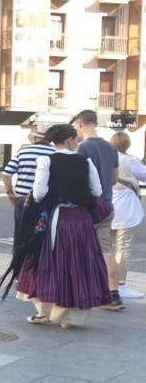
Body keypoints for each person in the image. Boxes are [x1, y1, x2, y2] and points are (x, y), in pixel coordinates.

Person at [1, 124, 110, 329]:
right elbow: (97, 190)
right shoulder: (84, 161)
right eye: (76, 139)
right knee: (77, 265)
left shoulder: (46, 160)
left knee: (46, 262)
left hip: (54, 219)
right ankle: (68, 316)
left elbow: (39, 193)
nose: (78, 142)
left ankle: (44, 311)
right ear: (69, 139)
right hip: (80, 220)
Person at [72, 110, 123, 311]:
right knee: (105, 250)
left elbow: (79, 179)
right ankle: (114, 296)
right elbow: (114, 179)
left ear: (80, 123)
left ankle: (81, 292)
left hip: (88, 206)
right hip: (107, 205)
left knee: (79, 249)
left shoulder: (82, 148)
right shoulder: (111, 148)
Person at [2, 130, 55, 250]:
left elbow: (6, 174)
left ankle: (19, 267)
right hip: (46, 203)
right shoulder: (55, 153)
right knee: (42, 239)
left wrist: (10, 193)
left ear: (35, 137)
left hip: (22, 200)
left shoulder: (23, 152)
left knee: (21, 237)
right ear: (49, 139)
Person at [110, 132, 146, 299]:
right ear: (127, 144)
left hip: (106, 207)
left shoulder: (105, 157)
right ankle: (120, 284)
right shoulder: (130, 160)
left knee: (105, 247)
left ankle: (106, 282)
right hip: (125, 208)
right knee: (123, 247)